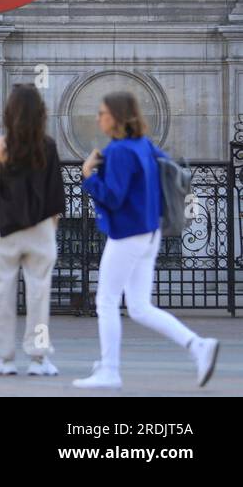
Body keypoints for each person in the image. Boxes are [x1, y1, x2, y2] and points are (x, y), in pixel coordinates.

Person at [73, 91, 219, 389]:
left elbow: (112, 196)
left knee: (107, 301)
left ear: (116, 116)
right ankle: (198, 345)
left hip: (127, 233)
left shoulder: (119, 151)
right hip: (149, 231)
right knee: (138, 306)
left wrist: (88, 175)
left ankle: (110, 370)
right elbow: (168, 171)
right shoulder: (145, 146)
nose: (98, 118)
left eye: (102, 112)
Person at [0, 84, 65, 376]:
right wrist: (50, 227)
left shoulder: (0, 146)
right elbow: (55, 193)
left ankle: (4, 358)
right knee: (39, 294)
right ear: (40, 113)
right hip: (41, 227)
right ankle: (39, 358)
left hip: (7, 226)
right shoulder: (49, 145)